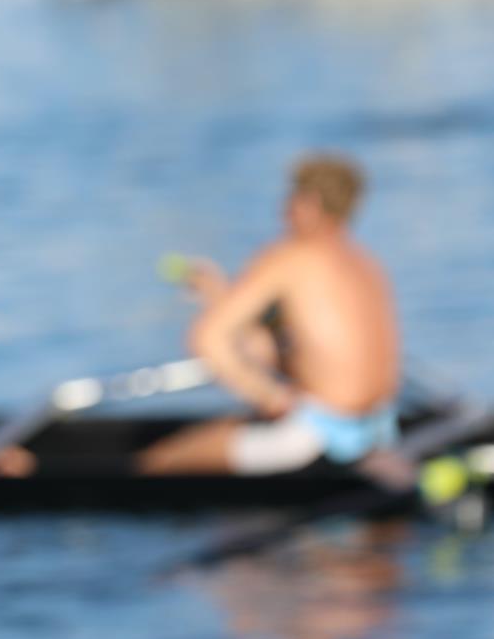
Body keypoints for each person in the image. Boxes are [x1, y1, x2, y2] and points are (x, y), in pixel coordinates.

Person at [139, 154, 401, 476]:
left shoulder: (291, 255)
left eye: (289, 197)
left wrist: (269, 397)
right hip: (377, 428)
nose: (282, 210)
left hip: (316, 436)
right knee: (230, 425)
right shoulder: (365, 264)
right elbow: (283, 346)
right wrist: (220, 295)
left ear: (309, 202)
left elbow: (207, 339)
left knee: (157, 462)